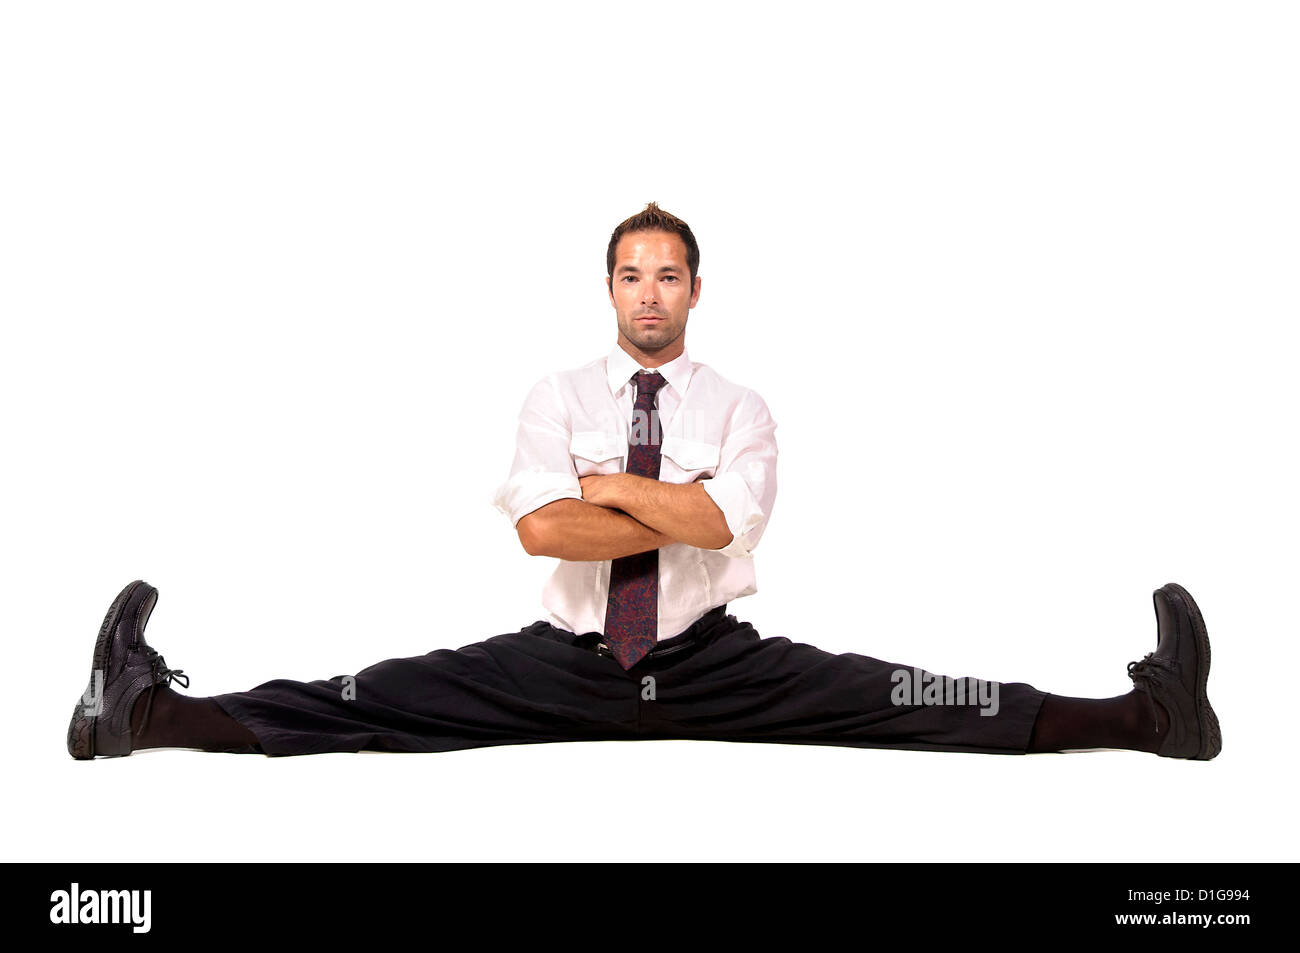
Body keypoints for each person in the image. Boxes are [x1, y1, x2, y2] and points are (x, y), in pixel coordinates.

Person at [66, 202, 1222, 761]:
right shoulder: (554, 392)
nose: (650, 294)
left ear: (696, 290)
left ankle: (1154, 715)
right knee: (360, 699)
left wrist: (605, 489)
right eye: (632, 275)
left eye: (669, 275)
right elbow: (543, 537)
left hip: (717, 663)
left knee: (917, 696)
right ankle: (140, 713)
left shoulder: (740, 406)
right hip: (560, 665)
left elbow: (717, 519)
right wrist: (649, 499)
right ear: (608, 288)